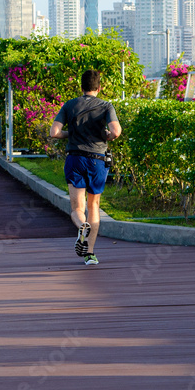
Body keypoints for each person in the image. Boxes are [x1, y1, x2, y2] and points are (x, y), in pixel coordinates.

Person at [50, 69, 121, 266]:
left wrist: (70, 135)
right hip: (97, 160)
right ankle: (90, 254)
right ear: (99, 87)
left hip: (75, 159)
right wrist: (106, 136)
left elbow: (54, 132)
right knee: (93, 205)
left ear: (81, 87)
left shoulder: (70, 105)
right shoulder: (106, 105)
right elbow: (116, 131)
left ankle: (82, 226)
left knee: (77, 208)